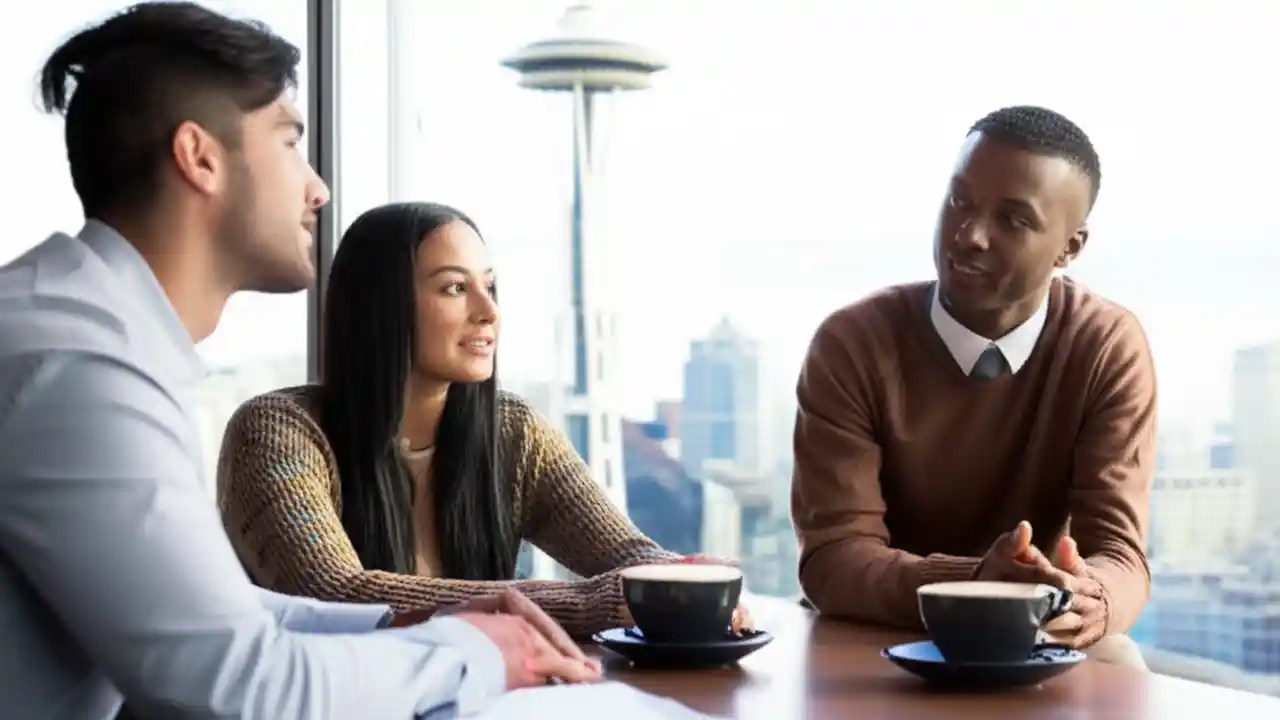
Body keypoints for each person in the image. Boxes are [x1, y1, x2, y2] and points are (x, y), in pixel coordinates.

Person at [0, 4, 598, 719]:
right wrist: (477, 653)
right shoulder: (76, 371)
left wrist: (429, 619)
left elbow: (225, 618)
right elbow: (242, 683)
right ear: (199, 158)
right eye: (289, 142)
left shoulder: (77, 337)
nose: (318, 188)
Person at [216, 201, 752, 639]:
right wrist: (598, 602)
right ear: (381, 306)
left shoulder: (511, 432)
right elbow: (336, 595)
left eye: (489, 286)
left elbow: (621, 551)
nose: (488, 311)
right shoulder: (277, 433)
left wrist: (681, 583)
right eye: (455, 287)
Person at [790, 105, 1154, 668]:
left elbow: (1119, 555)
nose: (969, 235)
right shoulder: (853, 343)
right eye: (960, 200)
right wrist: (976, 581)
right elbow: (833, 560)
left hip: (1031, 627)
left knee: (1119, 662)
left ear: (1070, 247)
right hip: (876, 627)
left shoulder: (1105, 346)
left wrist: (1091, 599)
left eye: (1013, 219)